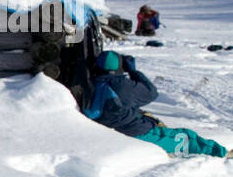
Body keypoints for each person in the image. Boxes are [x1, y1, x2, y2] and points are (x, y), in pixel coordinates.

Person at [84, 51, 228, 158]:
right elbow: (151, 92)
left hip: (111, 128)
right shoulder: (124, 86)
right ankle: (220, 154)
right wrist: (133, 71)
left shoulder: (90, 84)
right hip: (137, 133)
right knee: (186, 137)